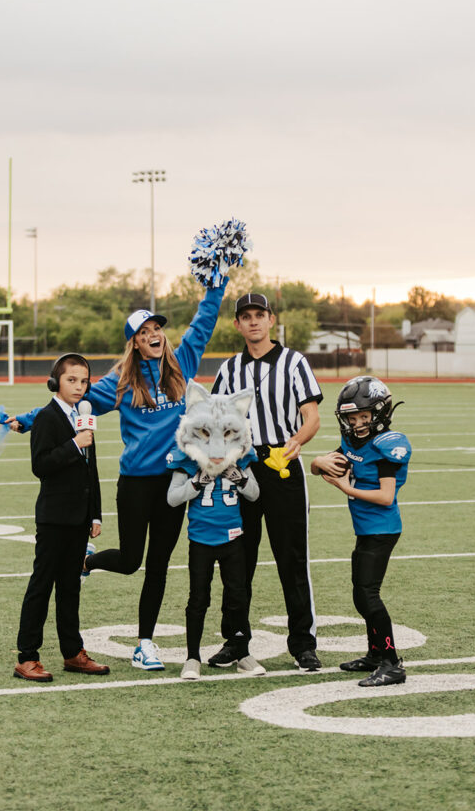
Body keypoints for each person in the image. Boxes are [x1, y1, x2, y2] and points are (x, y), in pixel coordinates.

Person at [11, 280, 227, 671]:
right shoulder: (122, 381)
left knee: (159, 565)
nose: (153, 335)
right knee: (130, 560)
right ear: (135, 343)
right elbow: (71, 401)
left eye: (156, 329)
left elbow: (203, 323)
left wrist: (216, 285)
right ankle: (88, 563)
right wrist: (26, 421)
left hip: (175, 482)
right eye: (144, 333)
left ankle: (145, 644)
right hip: (136, 483)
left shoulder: (183, 363)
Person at [210, 292, 323, 671]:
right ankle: (235, 639)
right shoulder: (229, 369)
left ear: (271, 320)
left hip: (282, 466)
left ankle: (303, 644)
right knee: (237, 559)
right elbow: (215, 418)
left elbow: (312, 417)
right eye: (246, 316)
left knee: (292, 557)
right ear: (237, 324)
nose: (254, 321)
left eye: (260, 314)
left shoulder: (294, 362)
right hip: (241, 468)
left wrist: (295, 443)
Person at [14, 353, 109, 682]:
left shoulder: (85, 417)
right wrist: (73, 444)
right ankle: (27, 656)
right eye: (72, 380)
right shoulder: (46, 417)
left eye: (84, 381)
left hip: (79, 518)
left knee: (71, 588)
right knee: (41, 586)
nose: (79, 386)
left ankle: (73, 652)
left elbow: (90, 469)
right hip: (54, 518)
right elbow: (40, 465)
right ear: (56, 382)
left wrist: (95, 514)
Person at [311, 375, 411, 687]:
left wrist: (345, 487)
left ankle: (392, 662)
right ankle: (375, 653)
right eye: (352, 418)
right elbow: (319, 467)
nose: (357, 424)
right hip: (366, 529)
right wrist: (317, 461)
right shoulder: (354, 443)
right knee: (361, 592)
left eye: (364, 417)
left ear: (379, 413)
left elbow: (386, 496)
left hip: (382, 529)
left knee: (368, 595)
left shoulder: (386, 446)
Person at [166, 380, 264, 680]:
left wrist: (239, 478)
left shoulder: (241, 457)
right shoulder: (188, 459)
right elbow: (172, 498)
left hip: (233, 537)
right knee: (198, 599)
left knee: (238, 596)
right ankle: (192, 657)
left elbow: (254, 494)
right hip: (201, 539)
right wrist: (196, 483)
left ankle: (242, 653)